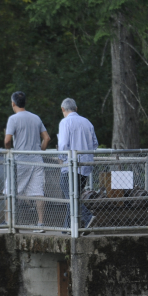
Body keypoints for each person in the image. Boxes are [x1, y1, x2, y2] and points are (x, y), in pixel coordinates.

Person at [5, 91, 51, 232]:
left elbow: (7, 140)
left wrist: (9, 152)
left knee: (10, 189)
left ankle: (9, 223)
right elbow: (47, 138)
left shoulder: (13, 119)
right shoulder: (36, 118)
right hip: (37, 159)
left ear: (13, 103)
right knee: (38, 191)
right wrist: (39, 152)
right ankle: (40, 223)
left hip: (20, 159)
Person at [57, 98, 98, 231]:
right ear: (76, 108)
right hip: (85, 165)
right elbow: (95, 144)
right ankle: (67, 228)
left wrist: (62, 158)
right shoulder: (87, 122)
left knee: (70, 195)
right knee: (74, 195)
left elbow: (63, 144)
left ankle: (88, 217)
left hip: (71, 165)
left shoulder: (65, 122)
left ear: (63, 109)